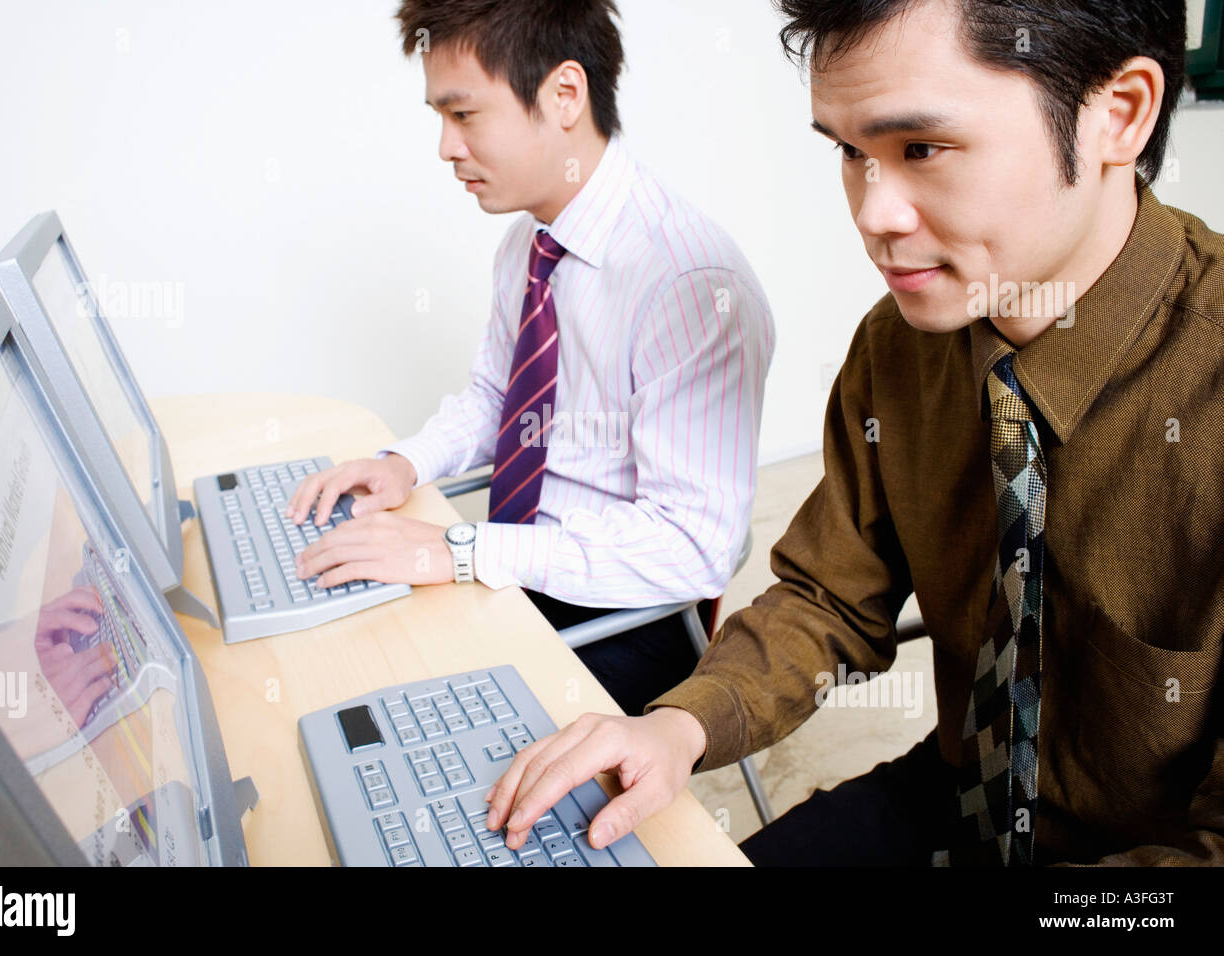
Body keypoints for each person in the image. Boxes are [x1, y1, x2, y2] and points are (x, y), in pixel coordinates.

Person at [486, 0, 1224, 866]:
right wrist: (680, 725)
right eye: (850, 152)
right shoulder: (900, 346)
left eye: (922, 149)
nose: (873, 215)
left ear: (1121, 114)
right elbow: (828, 595)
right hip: (956, 802)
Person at [288, 0, 775, 716]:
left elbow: (690, 545)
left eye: (464, 115)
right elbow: (498, 396)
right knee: (339, 647)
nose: (446, 148)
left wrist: (456, 551)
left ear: (564, 95)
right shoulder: (528, 245)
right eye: (440, 118)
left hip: (624, 614)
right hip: (519, 564)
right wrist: (406, 464)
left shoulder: (691, 284)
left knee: (400, 709)